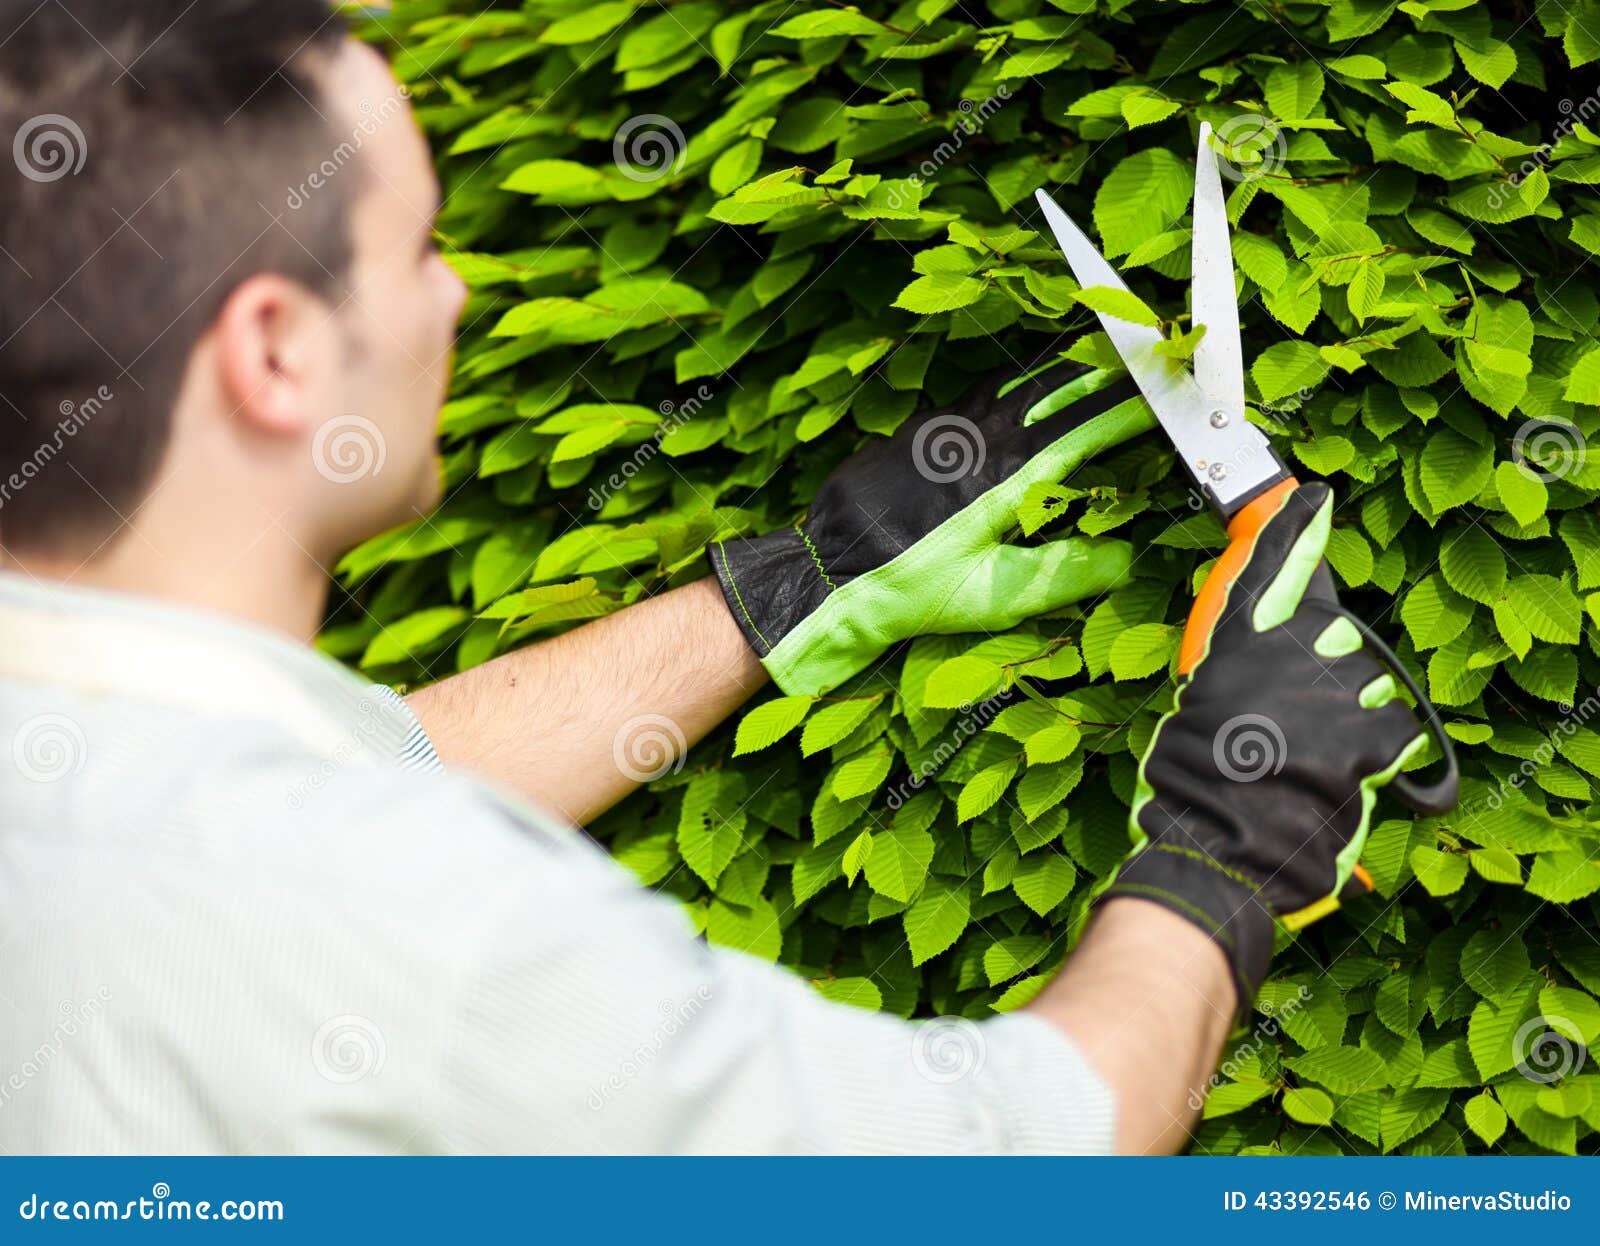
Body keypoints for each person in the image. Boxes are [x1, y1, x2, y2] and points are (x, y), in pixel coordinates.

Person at [0, 0, 1426, 1154]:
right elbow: (1015, 1160)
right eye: (415, 248)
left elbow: (356, 767)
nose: (456, 293)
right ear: (274, 351)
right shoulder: (423, 929)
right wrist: (1229, 846)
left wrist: (796, 586)